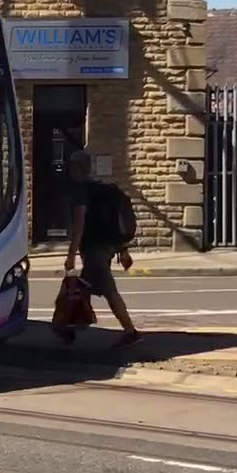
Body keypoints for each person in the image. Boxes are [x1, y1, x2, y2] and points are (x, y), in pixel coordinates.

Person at [63, 149, 143, 348]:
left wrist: (71, 254)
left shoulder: (81, 191)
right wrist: (123, 250)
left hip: (94, 250)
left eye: (71, 166)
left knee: (108, 290)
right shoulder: (101, 190)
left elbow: (79, 224)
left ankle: (130, 331)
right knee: (83, 285)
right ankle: (72, 326)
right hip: (107, 248)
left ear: (77, 168)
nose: (69, 170)